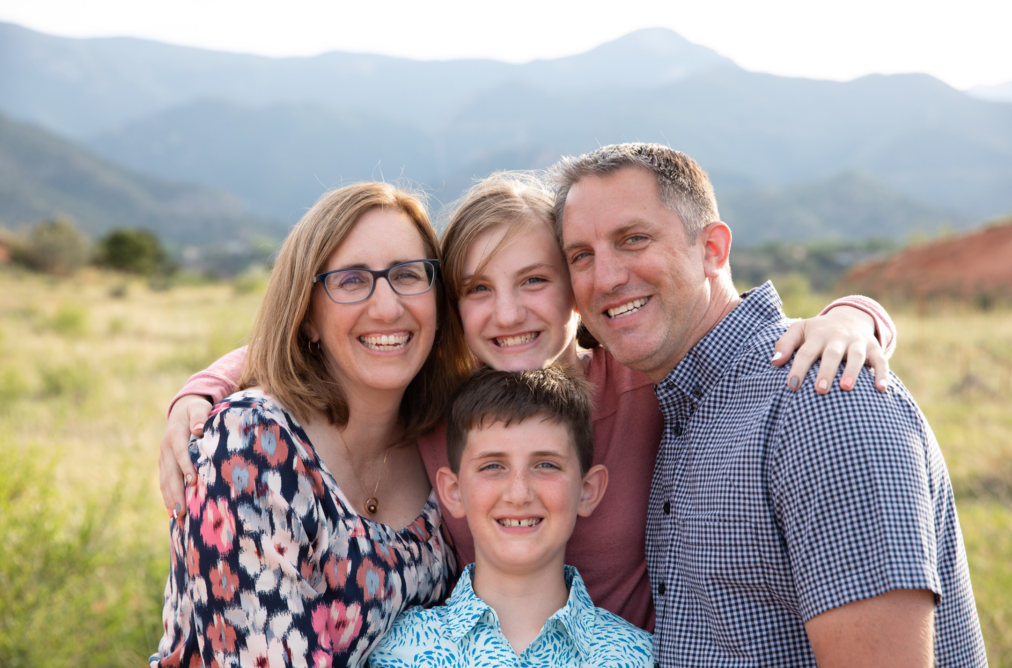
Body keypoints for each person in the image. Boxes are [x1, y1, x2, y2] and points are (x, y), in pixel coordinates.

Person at [158, 172, 897, 633]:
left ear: (578, 285)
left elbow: (729, 324)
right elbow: (341, 332)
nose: (507, 313)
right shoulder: (439, 407)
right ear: (452, 305)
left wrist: (853, 315)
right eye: (478, 288)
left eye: (535, 280)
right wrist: (206, 386)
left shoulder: (638, 381)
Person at [552, 142, 986, 666]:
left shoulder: (823, 401)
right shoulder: (677, 407)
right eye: (581, 256)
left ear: (712, 248)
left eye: (634, 239)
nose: (605, 278)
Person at [150, 182, 473, 668]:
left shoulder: (453, 441)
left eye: (408, 275)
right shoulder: (251, 445)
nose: (388, 307)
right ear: (307, 317)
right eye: (351, 281)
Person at [369, 365, 653, 667]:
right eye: (492, 466)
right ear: (453, 492)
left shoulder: (639, 656)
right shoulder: (397, 650)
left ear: (587, 490)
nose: (518, 495)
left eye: (546, 465)